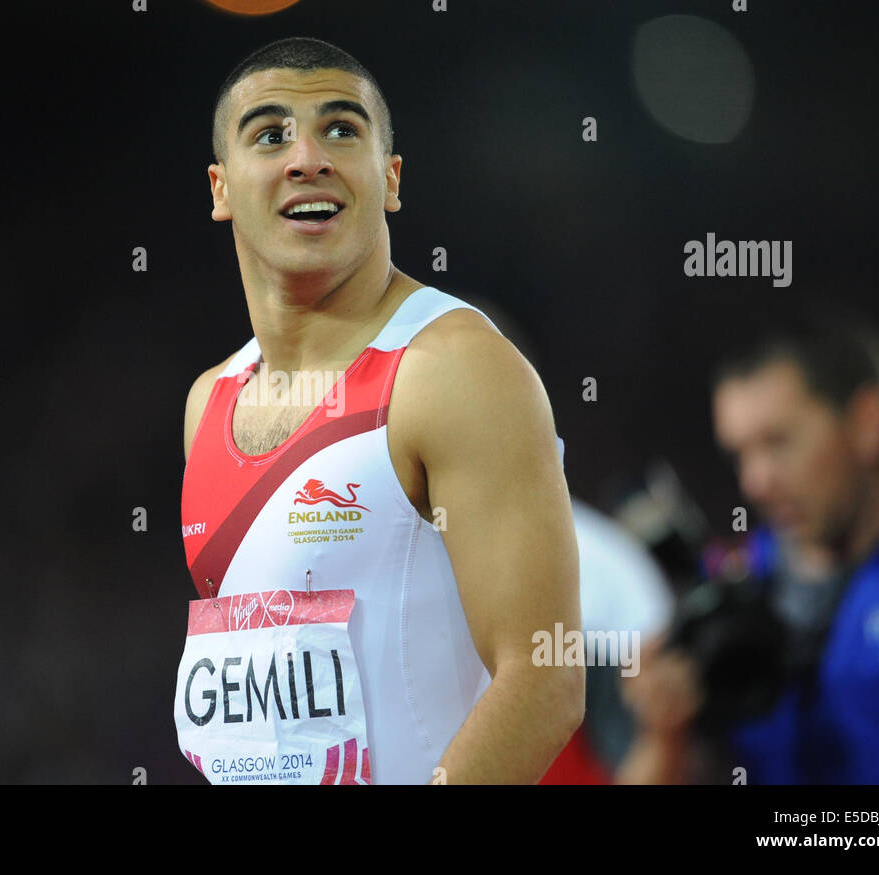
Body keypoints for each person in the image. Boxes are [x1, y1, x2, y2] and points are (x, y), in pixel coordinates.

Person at [175, 37, 581, 784]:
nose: (306, 158)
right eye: (270, 135)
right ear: (220, 187)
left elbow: (545, 677)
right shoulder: (210, 401)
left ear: (390, 178)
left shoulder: (452, 368)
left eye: (341, 129)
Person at [620, 311, 879, 783]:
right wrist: (665, 734)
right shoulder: (731, 594)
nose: (754, 482)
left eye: (778, 443)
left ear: (867, 421)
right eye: (740, 454)